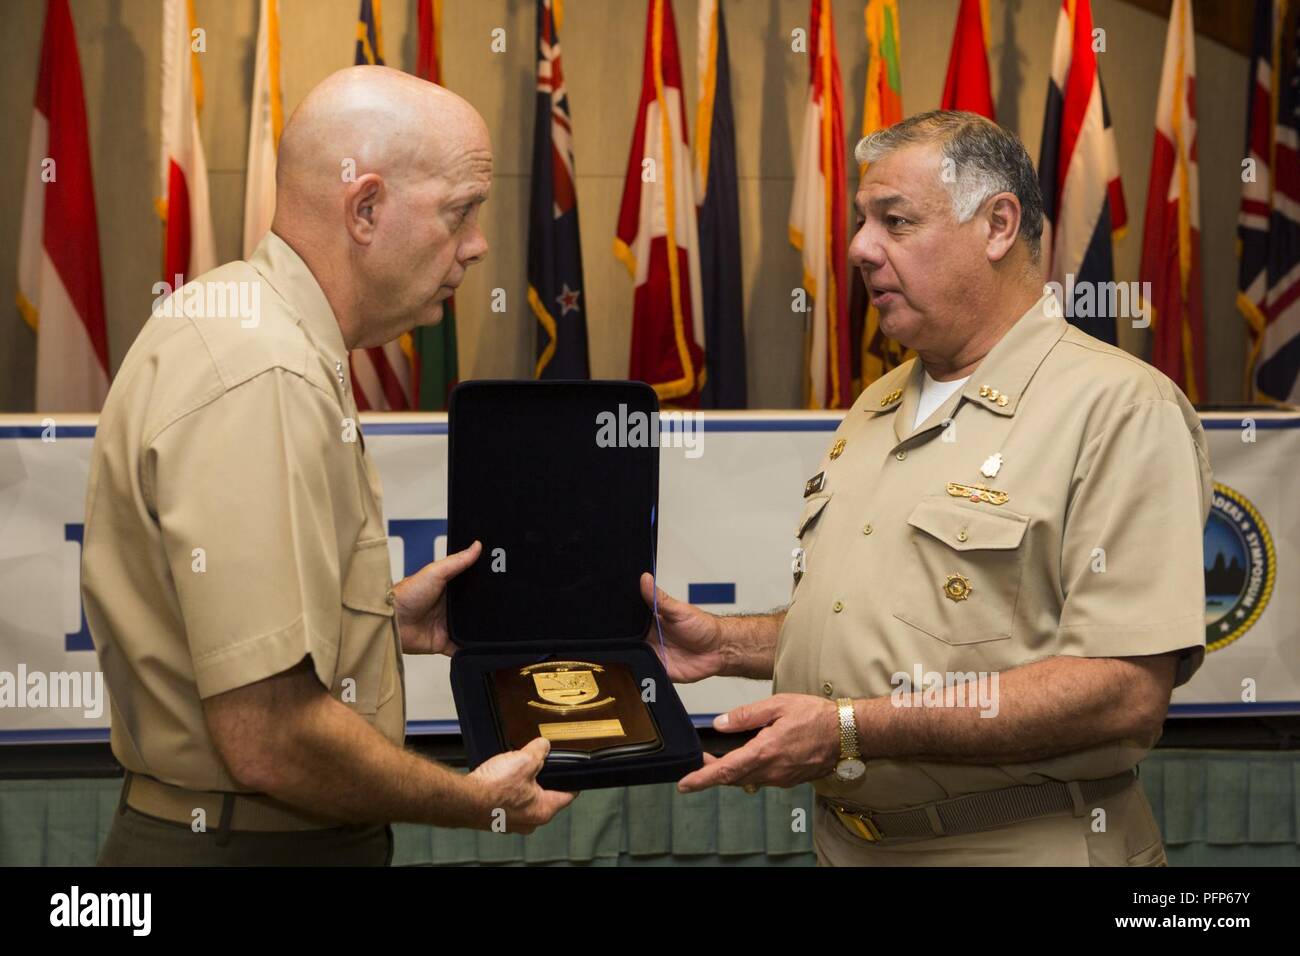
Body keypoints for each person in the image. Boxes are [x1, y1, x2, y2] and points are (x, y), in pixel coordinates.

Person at [642, 111, 1212, 866]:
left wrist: (850, 729)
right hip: (849, 846)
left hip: (1017, 845)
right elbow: (894, 629)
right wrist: (725, 645)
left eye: (895, 221)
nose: (857, 249)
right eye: (860, 221)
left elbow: (1121, 690)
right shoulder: (876, 406)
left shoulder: (1118, 408)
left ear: (998, 225)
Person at [83, 66, 573, 866]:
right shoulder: (264, 369)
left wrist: (370, 622)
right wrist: (472, 802)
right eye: (460, 211)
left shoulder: (252, 329)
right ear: (366, 208)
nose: (479, 244)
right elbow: (270, 737)